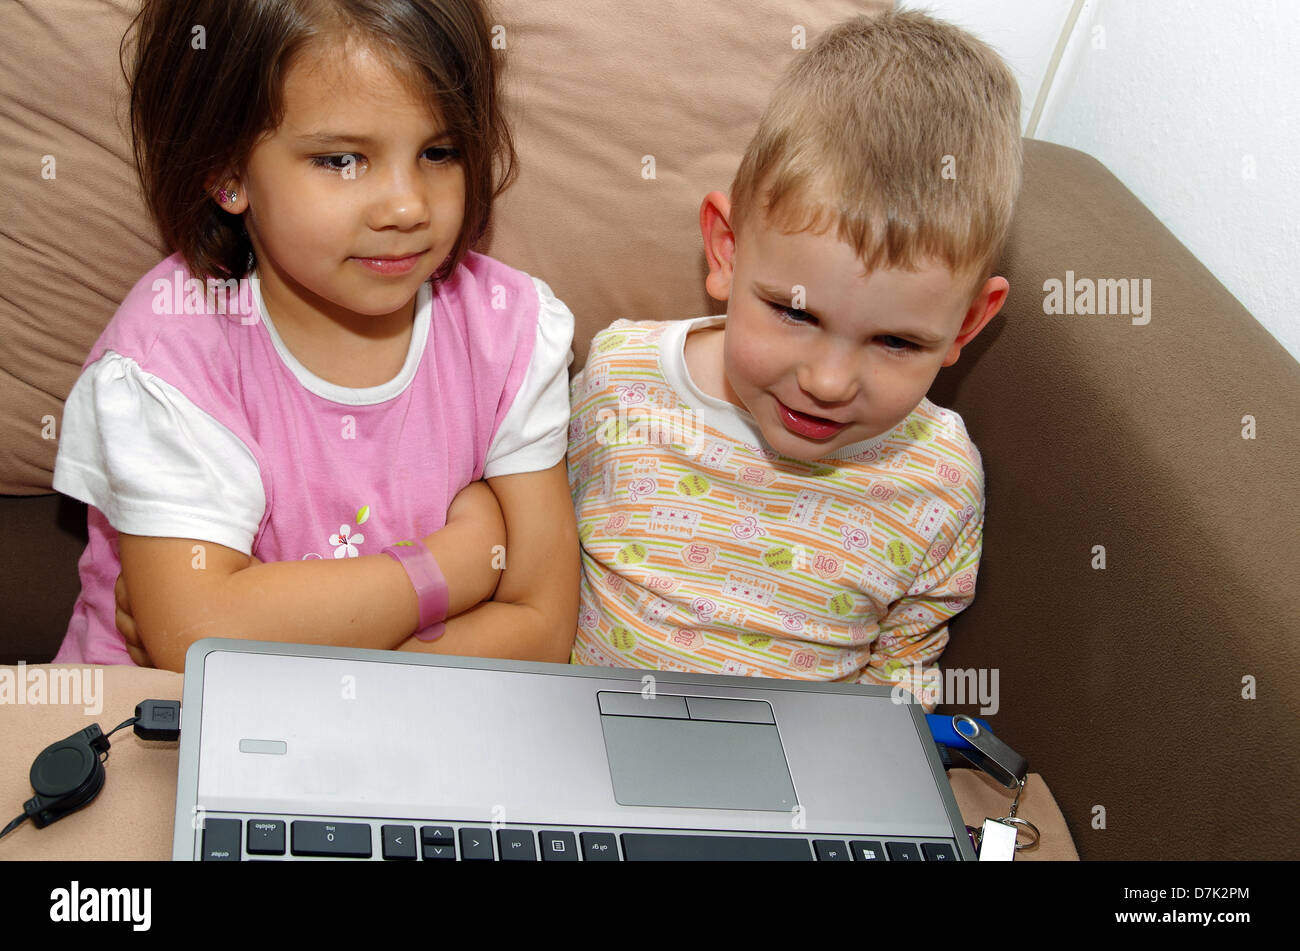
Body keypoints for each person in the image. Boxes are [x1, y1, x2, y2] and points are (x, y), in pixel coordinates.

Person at [52, 0, 578, 671]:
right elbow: (198, 638)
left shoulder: (505, 332)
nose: (408, 206)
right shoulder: (174, 350)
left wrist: (293, 648)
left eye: (439, 152)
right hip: (158, 732)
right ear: (227, 171)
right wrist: (455, 563)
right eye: (342, 160)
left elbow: (542, 629)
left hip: (416, 737)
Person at [567, 11, 1022, 709]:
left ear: (967, 322)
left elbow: (901, 674)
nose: (827, 382)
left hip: (793, 797)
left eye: (896, 342)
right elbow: (538, 559)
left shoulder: (940, 480)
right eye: (796, 312)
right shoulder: (621, 380)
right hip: (585, 748)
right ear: (726, 250)